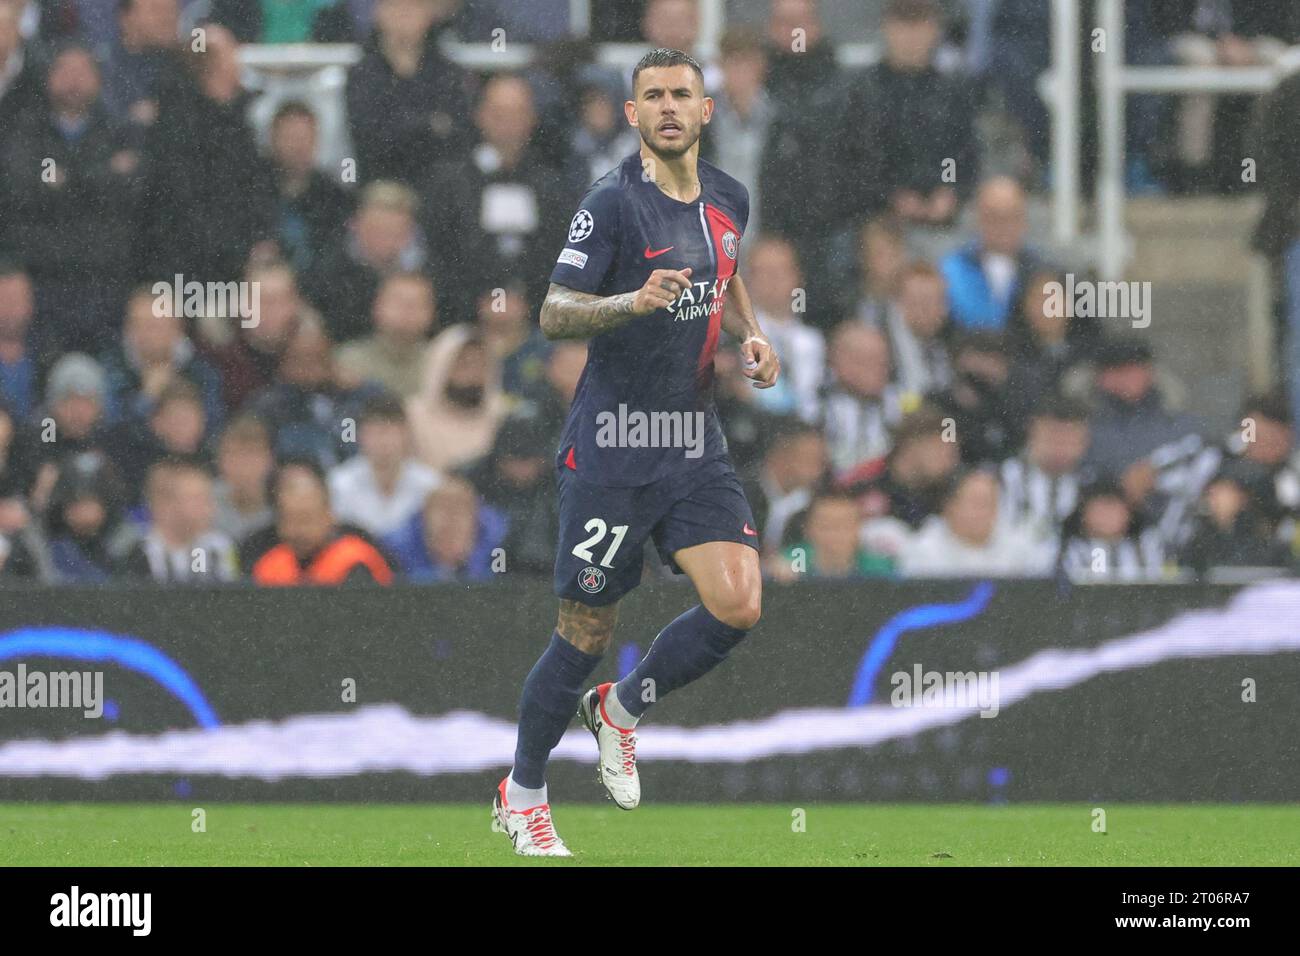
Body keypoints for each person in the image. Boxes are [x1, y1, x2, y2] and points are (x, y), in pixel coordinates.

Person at [493, 48, 781, 857]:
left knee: (740, 602)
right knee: (584, 631)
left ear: (705, 110)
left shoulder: (729, 197)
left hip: (691, 440)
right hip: (613, 448)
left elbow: (723, 276)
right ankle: (523, 792)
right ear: (631, 115)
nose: (667, 106)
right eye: (651, 95)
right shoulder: (611, 205)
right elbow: (552, 313)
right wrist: (629, 300)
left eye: (681, 94)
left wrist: (754, 335)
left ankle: (621, 710)